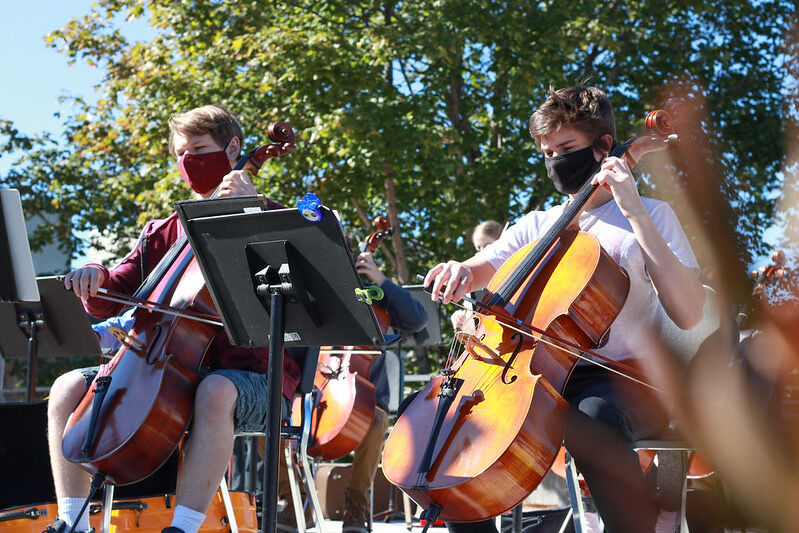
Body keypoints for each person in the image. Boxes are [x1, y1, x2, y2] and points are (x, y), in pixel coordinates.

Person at [424, 85, 705, 533]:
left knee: (589, 416)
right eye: (547, 151)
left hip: (627, 379)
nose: (555, 160)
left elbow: (688, 311)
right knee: (449, 431)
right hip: (542, 374)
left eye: (566, 148)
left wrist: (633, 208)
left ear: (603, 147)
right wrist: (461, 268)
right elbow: (487, 264)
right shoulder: (538, 224)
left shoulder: (652, 215)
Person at [46, 104, 302, 533]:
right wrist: (94, 278)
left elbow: (295, 294)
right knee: (67, 386)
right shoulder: (165, 230)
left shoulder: (273, 216)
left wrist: (248, 217)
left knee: (217, 390)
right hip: (165, 367)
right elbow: (112, 295)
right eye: (180, 153)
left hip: (254, 376)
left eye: (199, 149)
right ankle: (73, 522)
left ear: (233, 148)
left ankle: (182, 527)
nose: (188, 162)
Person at [449, 220, 503, 331]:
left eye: (488, 246)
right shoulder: (471, 280)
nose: (482, 252)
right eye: (478, 248)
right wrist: (460, 320)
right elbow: (475, 330)